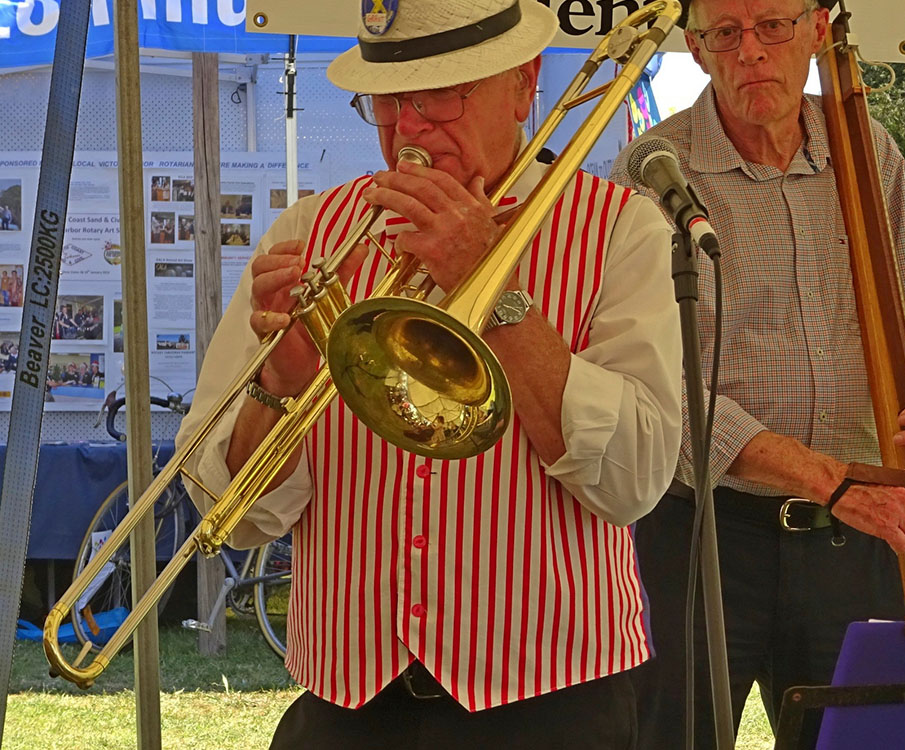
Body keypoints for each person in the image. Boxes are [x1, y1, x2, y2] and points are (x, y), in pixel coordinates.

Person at [177, 1, 683, 748]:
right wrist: (277, 389)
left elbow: (635, 479)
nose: (408, 128)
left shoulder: (620, 229)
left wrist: (496, 292)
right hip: (347, 706)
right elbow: (236, 514)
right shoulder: (307, 234)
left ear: (522, 85)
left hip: (552, 706)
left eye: (440, 96)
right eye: (388, 100)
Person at [610, 0, 905, 746]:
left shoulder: (864, 146)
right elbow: (655, 391)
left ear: (815, 30)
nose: (752, 51)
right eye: (726, 33)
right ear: (699, 48)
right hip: (703, 538)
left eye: (773, 25)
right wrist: (826, 477)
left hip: (854, 545)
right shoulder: (656, 168)